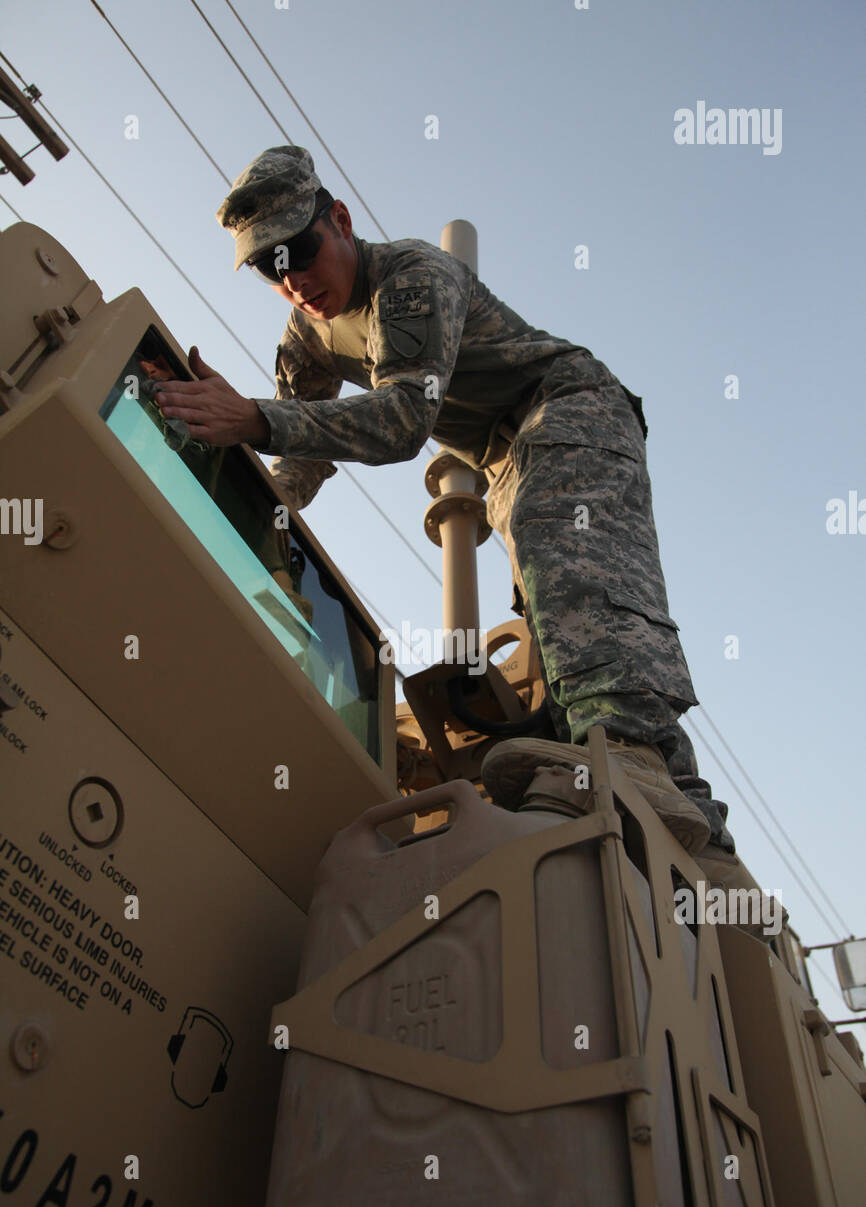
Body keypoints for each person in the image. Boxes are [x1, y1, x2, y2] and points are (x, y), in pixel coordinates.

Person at [155, 145, 752, 887]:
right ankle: (709, 855)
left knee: (564, 564)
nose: (293, 278)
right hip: (504, 452)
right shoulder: (308, 336)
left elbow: (404, 418)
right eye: (268, 267)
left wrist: (254, 417)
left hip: (564, 407)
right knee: (554, 613)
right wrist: (246, 496)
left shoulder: (410, 277)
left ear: (339, 222)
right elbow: (302, 456)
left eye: (300, 250)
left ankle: (631, 756)